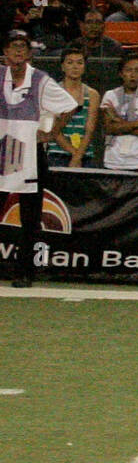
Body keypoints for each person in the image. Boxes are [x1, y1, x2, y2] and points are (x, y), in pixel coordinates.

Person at [0, 27, 76, 285]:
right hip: (2, 153)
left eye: (22, 47)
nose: (18, 51)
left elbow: (69, 105)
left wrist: (52, 133)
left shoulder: (40, 80)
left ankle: (25, 272)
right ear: (5, 51)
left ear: (30, 52)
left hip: (30, 156)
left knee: (29, 219)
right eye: (13, 46)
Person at [99, 53, 138, 171]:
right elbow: (108, 128)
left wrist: (117, 120)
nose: (133, 75)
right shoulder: (110, 96)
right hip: (113, 161)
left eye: (137, 71)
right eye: (128, 70)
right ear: (121, 74)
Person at [48, 44, 99, 169]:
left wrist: (78, 157)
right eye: (70, 62)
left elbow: (90, 129)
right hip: (57, 155)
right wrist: (74, 154)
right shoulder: (52, 92)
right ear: (63, 66)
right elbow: (54, 129)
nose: (75, 67)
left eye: (79, 63)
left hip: (85, 156)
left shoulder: (92, 94)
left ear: (84, 67)